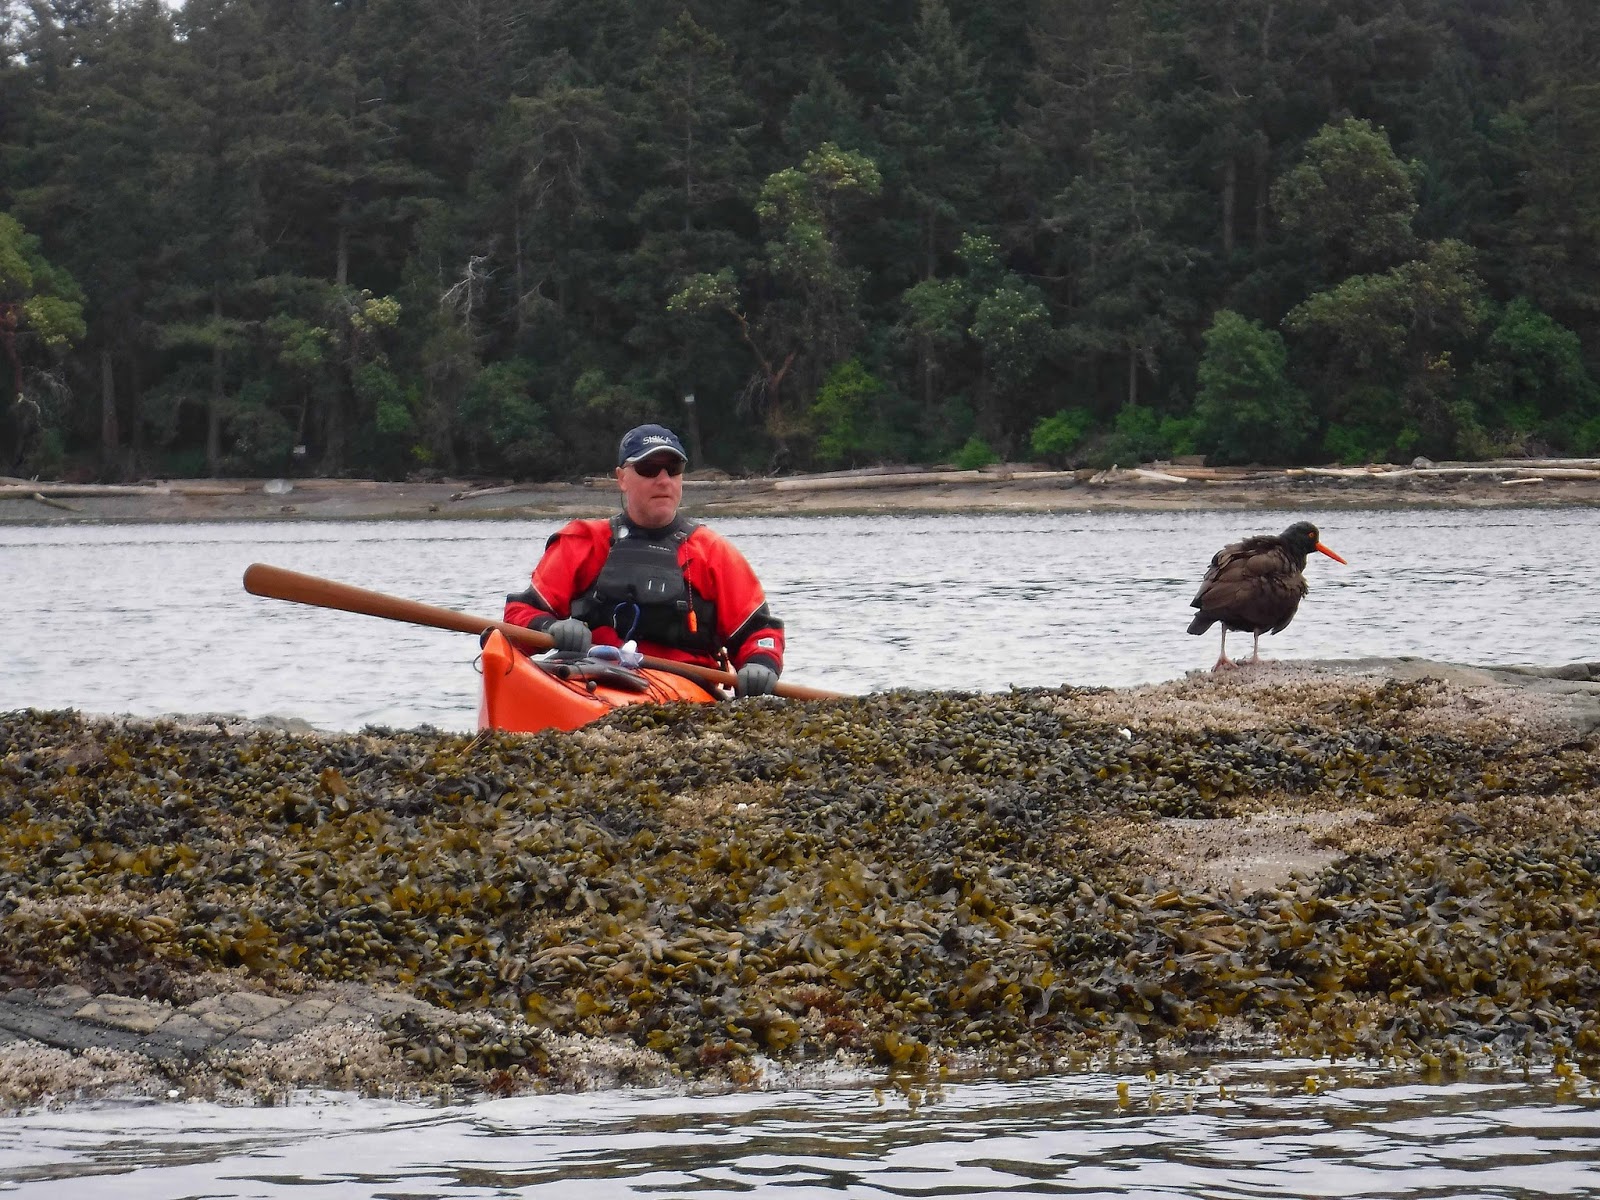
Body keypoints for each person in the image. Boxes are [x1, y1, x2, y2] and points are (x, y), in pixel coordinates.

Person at [503, 423, 785, 696]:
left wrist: (760, 664)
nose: (663, 480)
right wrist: (548, 627)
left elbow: (759, 633)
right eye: (648, 469)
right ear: (622, 478)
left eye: (673, 470)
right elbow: (519, 616)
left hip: (684, 686)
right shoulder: (582, 542)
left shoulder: (713, 554)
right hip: (590, 676)